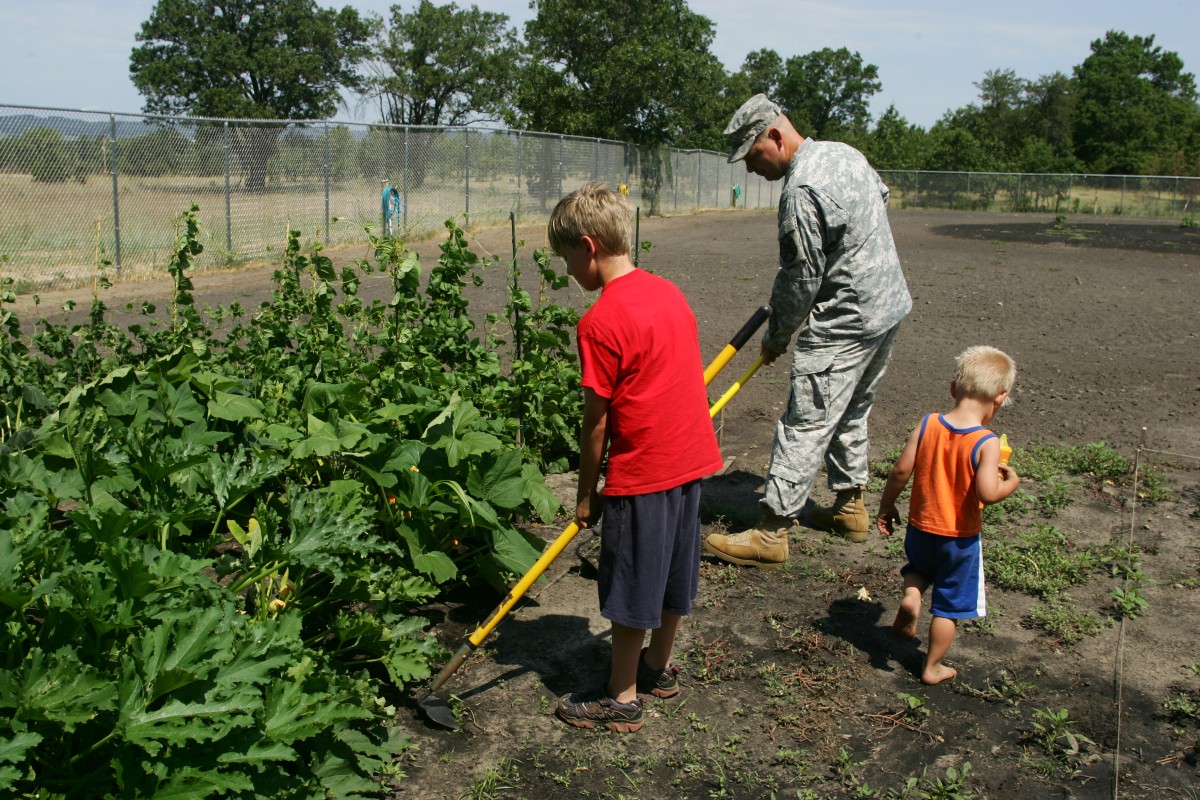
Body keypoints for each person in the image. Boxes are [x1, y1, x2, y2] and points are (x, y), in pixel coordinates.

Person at [702, 94, 913, 569]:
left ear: (775, 135)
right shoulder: (845, 154)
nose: (751, 170)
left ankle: (771, 532)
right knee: (852, 407)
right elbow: (877, 200)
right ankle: (851, 509)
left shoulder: (800, 189)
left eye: (753, 157)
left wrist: (777, 335)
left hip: (846, 318)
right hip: (887, 304)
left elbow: (800, 277)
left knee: (807, 419)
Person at [548, 181, 724, 732]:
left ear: (589, 245)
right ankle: (658, 666)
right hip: (690, 465)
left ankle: (621, 697)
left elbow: (596, 426)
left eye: (567, 258)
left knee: (629, 583)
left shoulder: (599, 322)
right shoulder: (669, 293)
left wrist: (585, 495)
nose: (569, 271)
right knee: (673, 573)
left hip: (641, 473)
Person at [875, 346, 1020, 685]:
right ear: (1000, 399)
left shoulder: (928, 424)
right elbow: (987, 493)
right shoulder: (986, 442)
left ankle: (912, 596)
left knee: (920, 570)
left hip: (920, 529)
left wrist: (886, 506)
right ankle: (932, 666)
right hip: (960, 539)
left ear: (953, 389)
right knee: (949, 606)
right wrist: (1011, 483)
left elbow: (900, 471)